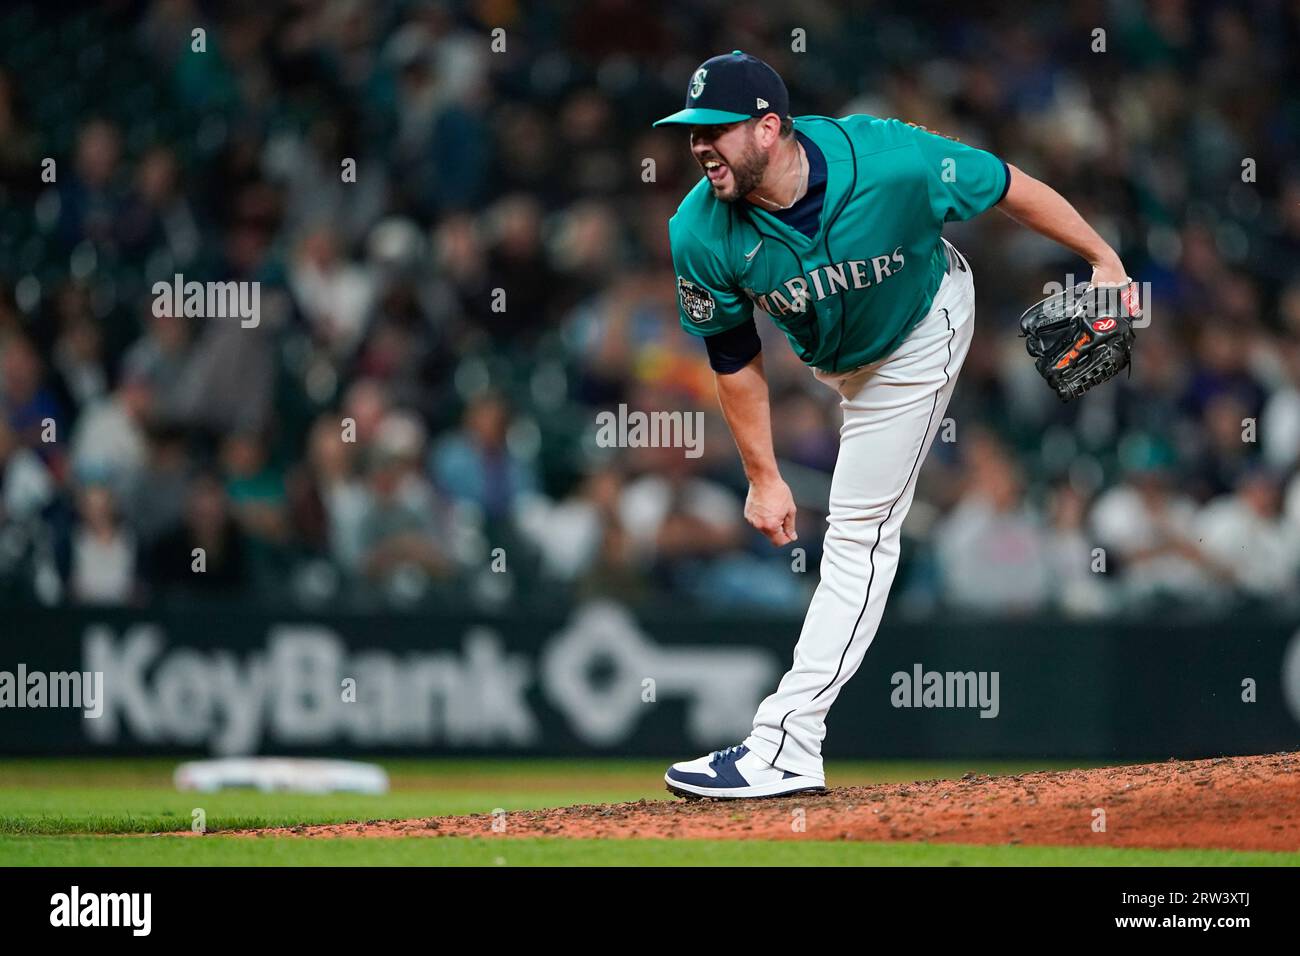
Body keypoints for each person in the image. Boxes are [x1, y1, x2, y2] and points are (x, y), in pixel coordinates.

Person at [656, 51, 1135, 799]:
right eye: (691, 133)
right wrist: (765, 476)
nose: (699, 145)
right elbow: (734, 356)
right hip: (835, 357)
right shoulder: (698, 229)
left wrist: (1100, 257)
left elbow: (1008, 184)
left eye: (715, 129)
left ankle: (787, 743)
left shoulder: (889, 159)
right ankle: (788, 743)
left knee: (858, 537)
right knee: (856, 520)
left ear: (768, 127)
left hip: (921, 329)